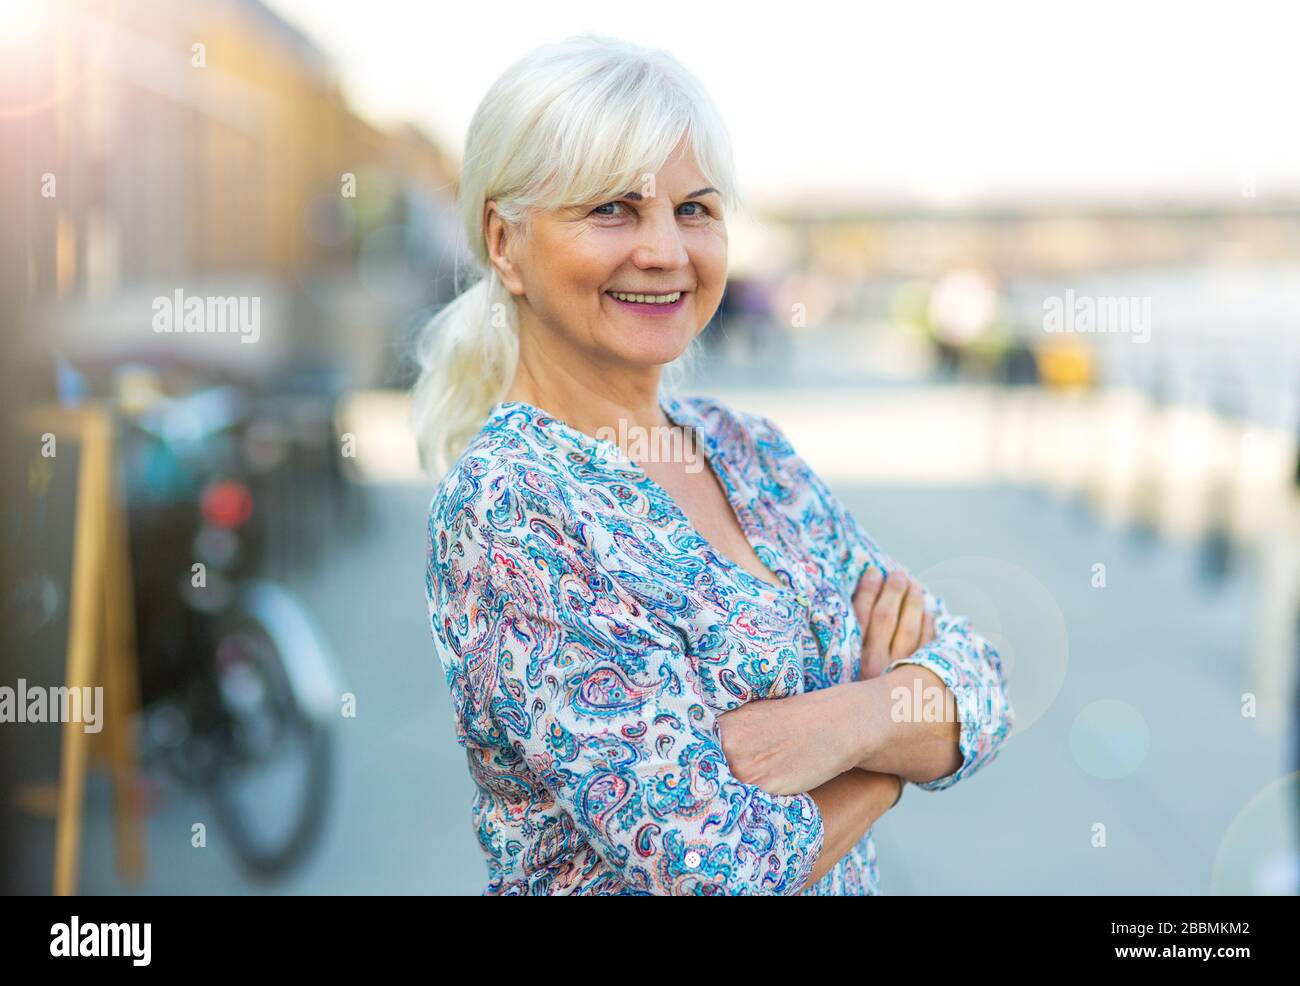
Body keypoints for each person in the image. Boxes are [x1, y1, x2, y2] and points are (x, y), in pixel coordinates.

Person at [413, 34, 1014, 895]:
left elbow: (983, 683)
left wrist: (846, 721)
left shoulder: (751, 449)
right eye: (612, 209)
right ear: (504, 244)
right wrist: (893, 764)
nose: (665, 251)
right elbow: (723, 867)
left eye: (694, 208)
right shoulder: (510, 508)